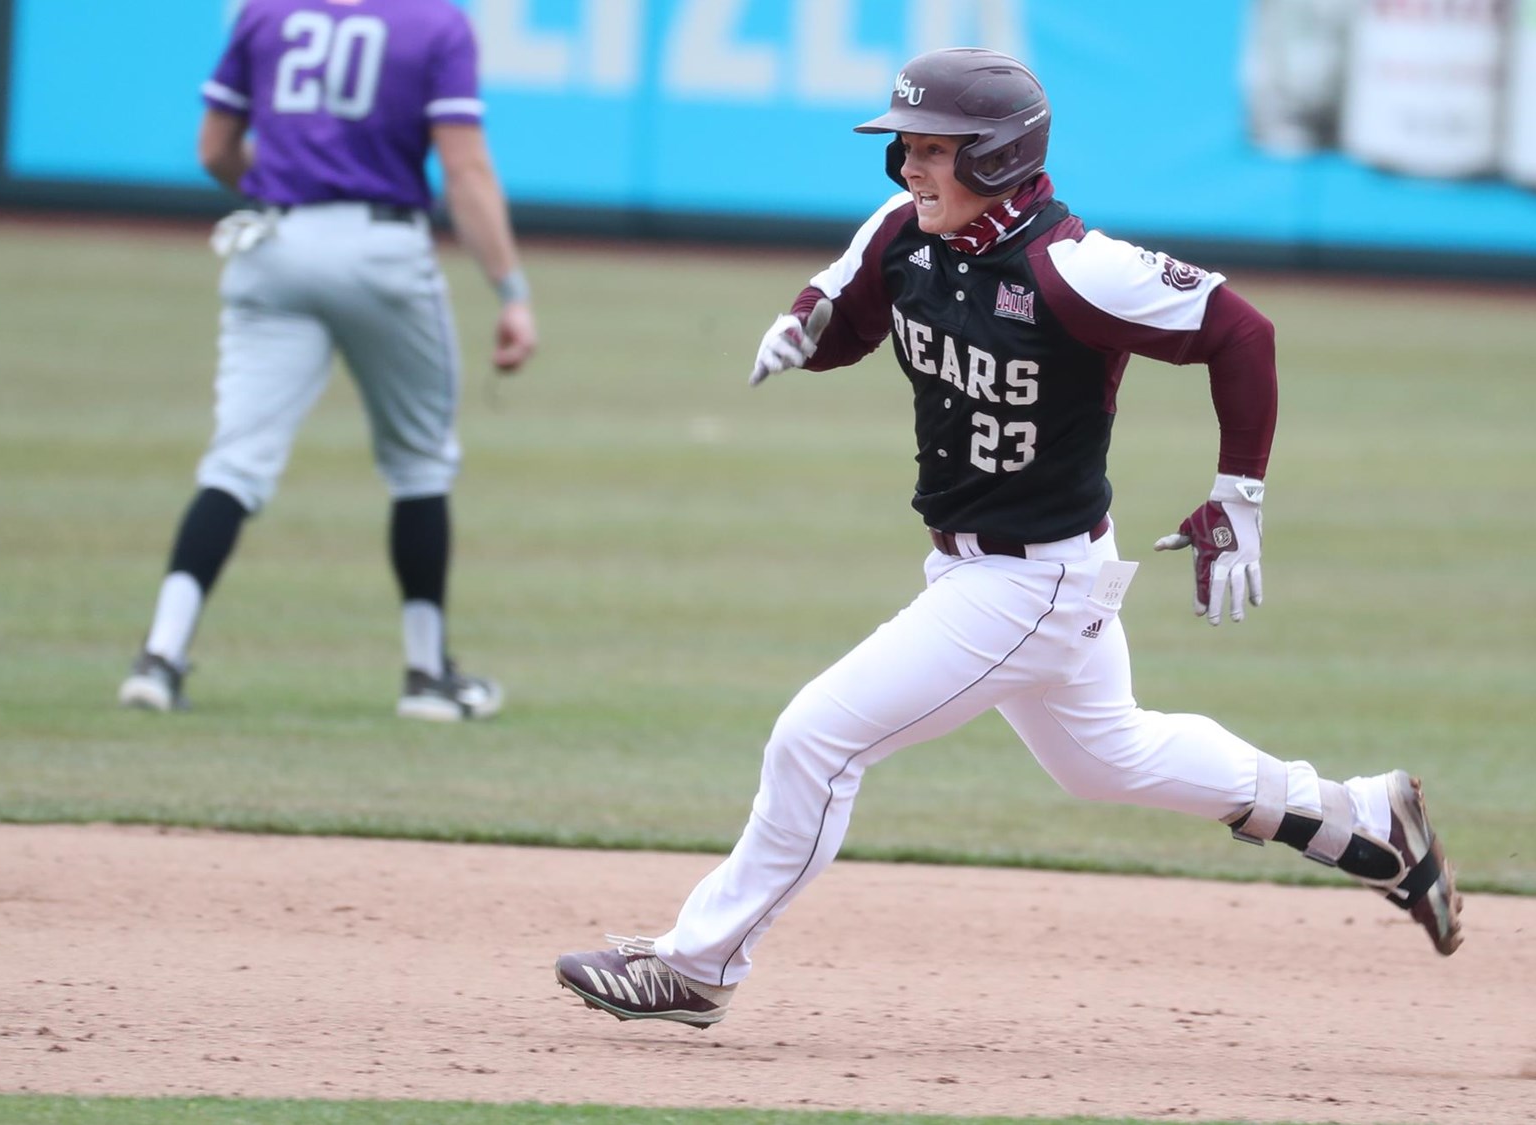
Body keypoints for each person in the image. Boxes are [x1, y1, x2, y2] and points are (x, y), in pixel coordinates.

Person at [555, 47, 1462, 1029]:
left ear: (997, 157)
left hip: (1030, 587)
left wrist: (1237, 491)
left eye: (933, 148)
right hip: (1001, 569)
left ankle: (698, 966)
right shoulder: (904, 233)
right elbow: (843, 317)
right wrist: (802, 328)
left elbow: (1241, 333)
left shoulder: (1074, 268)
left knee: (815, 739)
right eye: (905, 145)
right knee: (1106, 758)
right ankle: (1361, 818)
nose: (909, 166)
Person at [117, 0, 537, 721]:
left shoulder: (267, 11)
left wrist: (291, 191)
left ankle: (159, 655)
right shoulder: (434, 22)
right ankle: (425, 673)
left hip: (275, 242)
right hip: (381, 248)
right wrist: (511, 291)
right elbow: (465, 170)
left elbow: (215, 149)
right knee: (420, 464)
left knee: (235, 464)